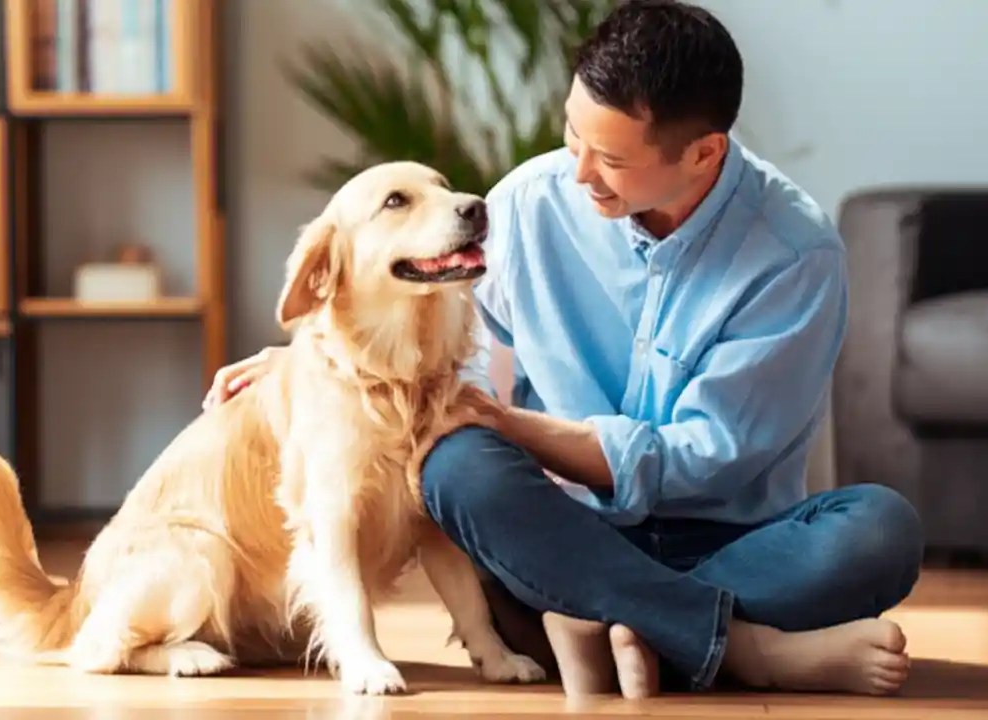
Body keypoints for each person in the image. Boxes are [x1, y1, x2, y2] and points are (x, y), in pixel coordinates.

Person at [205, 0, 924, 699]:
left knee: (879, 530)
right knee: (458, 468)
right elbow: (446, 362)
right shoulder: (529, 202)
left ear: (704, 153)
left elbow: (712, 454)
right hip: (559, 533)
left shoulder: (795, 254)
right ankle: (750, 650)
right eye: (572, 135)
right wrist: (317, 366)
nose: (576, 173)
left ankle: (617, 630)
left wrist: (522, 429)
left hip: (730, 542)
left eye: (609, 157)